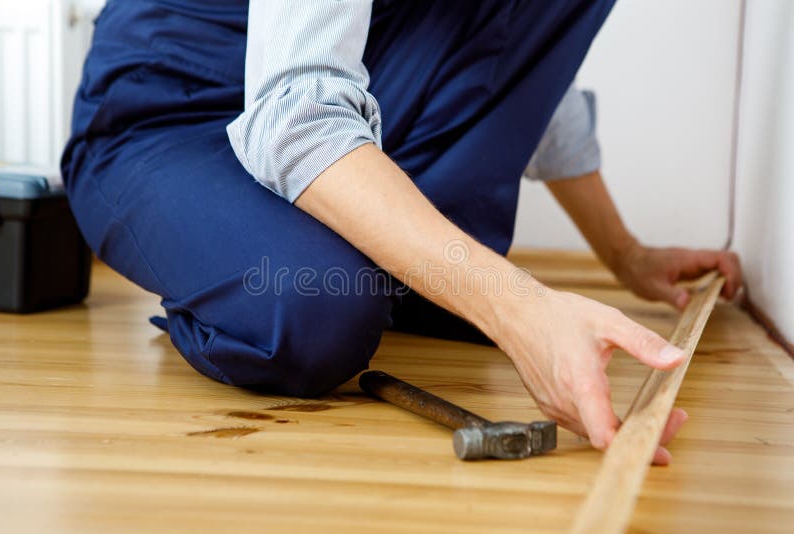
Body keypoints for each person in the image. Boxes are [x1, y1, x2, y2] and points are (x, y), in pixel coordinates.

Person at [62, 0, 741, 465]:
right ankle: (229, 280)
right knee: (310, 308)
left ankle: (387, 260)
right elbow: (294, 115)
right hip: (170, 114)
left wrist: (624, 252)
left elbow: (515, 54)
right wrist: (522, 311)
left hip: (319, 103)